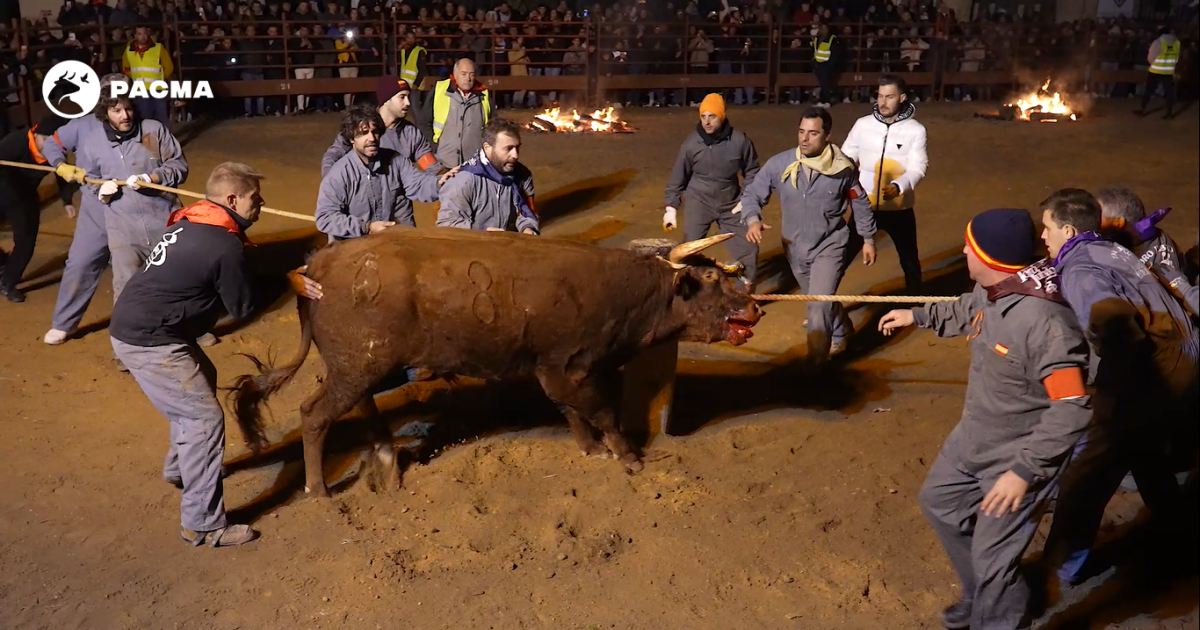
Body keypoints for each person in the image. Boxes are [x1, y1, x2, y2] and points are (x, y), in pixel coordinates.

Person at [878, 208, 1092, 630]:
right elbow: (967, 310)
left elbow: (1072, 406)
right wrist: (917, 315)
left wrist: (1024, 471)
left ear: (991, 260)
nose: (962, 251)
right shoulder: (994, 288)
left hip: (1015, 458)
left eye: (969, 247)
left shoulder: (1046, 323)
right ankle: (981, 595)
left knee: (994, 556)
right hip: (974, 437)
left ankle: (998, 618)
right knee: (940, 503)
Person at [109, 161, 321, 548]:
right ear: (231, 199)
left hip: (147, 327)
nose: (262, 203)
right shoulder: (223, 244)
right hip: (151, 339)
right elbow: (242, 308)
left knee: (198, 384)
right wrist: (286, 282)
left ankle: (181, 470)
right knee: (202, 419)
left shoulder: (193, 223)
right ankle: (202, 525)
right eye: (255, 198)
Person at [1038, 189, 1198, 587]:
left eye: (1047, 228)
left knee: (1085, 474)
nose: (1042, 237)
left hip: (1154, 376)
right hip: (1183, 366)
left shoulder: (1080, 270)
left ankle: (1061, 571)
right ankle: (1179, 539)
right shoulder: (1113, 250)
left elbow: (1120, 335)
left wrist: (1106, 406)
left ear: (1069, 230)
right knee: (1147, 454)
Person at [41, 73, 199, 354]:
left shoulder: (147, 129)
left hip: (148, 208)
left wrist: (155, 177)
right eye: (112, 102)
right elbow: (53, 145)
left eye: (125, 101)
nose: (122, 111)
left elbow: (172, 163)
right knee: (81, 263)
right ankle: (65, 322)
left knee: (171, 268)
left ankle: (187, 325)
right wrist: (60, 165)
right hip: (98, 210)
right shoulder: (83, 127)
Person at [738, 107, 876, 363]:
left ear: (827, 136)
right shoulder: (780, 164)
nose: (804, 139)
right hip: (794, 248)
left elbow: (860, 202)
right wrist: (753, 219)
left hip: (830, 246)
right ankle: (842, 330)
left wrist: (867, 238)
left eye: (813, 133)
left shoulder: (843, 170)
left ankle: (816, 364)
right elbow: (753, 193)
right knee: (820, 298)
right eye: (802, 132)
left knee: (817, 304)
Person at [663, 93, 761, 289]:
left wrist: (747, 198)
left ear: (722, 116)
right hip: (700, 201)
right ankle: (690, 291)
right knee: (688, 250)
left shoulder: (740, 141)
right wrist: (671, 208)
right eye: (703, 116)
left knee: (748, 247)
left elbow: (752, 170)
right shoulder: (691, 144)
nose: (707, 122)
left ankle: (744, 290)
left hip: (731, 203)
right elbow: (677, 178)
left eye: (712, 116)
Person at [842, 74, 928, 294]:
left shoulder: (915, 130)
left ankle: (916, 306)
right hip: (864, 206)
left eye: (889, 97)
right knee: (840, 259)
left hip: (899, 207)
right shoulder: (862, 125)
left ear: (902, 97)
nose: (882, 102)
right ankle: (821, 307)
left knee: (909, 261)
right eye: (880, 96)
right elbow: (845, 158)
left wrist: (899, 186)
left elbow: (918, 167)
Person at [316, 105, 444, 241]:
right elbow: (325, 217)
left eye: (375, 132)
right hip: (350, 252)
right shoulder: (339, 174)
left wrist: (440, 183)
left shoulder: (396, 161)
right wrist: (367, 227)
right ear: (351, 138)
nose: (371, 138)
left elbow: (419, 184)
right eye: (364, 133)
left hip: (385, 247)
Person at [0, 115, 77, 303]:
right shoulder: (15, 142)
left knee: (26, 244)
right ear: (35, 134)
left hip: (25, 199)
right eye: (46, 140)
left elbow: (62, 175)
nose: (49, 146)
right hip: (3, 190)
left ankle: (7, 282)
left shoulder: (54, 153)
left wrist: (67, 201)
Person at [320, 76, 440, 178]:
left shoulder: (410, 133)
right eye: (402, 97)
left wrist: (444, 177)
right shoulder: (360, 125)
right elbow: (334, 154)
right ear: (386, 100)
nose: (408, 103)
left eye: (408, 97)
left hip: (396, 202)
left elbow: (430, 165)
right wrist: (331, 180)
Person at [436, 118, 537, 234]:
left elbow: (527, 212)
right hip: (471, 247)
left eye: (517, 147)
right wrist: (484, 232)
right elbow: (447, 224)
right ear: (487, 148)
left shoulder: (523, 175)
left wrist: (528, 228)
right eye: (508, 149)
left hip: (508, 246)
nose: (515, 155)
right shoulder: (463, 180)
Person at [419, 58, 496, 168]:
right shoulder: (440, 90)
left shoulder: (483, 95)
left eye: (471, 74)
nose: (468, 78)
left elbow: (492, 127)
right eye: (463, 74)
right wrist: (434, 147)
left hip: (474, 164)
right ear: (455, 74)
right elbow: (424, 122)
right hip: (443, 162)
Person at [1096, 187, 1183, 279]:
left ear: (1118, 223)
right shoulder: (1143, 236)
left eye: (1097, 216)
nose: (1093, 219)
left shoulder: (1160, 261)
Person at [122, 26, 174, 125]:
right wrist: (134, 77)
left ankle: (165, 139)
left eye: (145, 33)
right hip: (140, 89)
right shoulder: (129, 50)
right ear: (135, 36)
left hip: (158, 88)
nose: (143, 36)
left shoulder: (158, 48)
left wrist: (161, 78)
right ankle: (147, 138)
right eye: (140, 34)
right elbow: (126, 67)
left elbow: (169, 66)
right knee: (144, 116)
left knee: (162, 115)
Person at [1135, 26, 1180, 119]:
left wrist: (1154, 63)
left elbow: (1150, 57)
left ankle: (1142, 109)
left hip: (1155, 70)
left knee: (1149, 90)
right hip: (1168, 71)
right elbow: (1177, 57)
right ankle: (1169, 112)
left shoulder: (1158, 42)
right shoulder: (1177, 43)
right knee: (1169, 92)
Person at [811, 24, 836, 108]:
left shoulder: (832, 38)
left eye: (825, 28)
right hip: (818, 64)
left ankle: (826, 101)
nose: (823, 29)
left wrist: (830, 63)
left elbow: (835, 52)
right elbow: (815, 50)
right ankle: (823, 100)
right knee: (822, 83)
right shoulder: (817, 38)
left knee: (825, 83)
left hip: (826, 64)